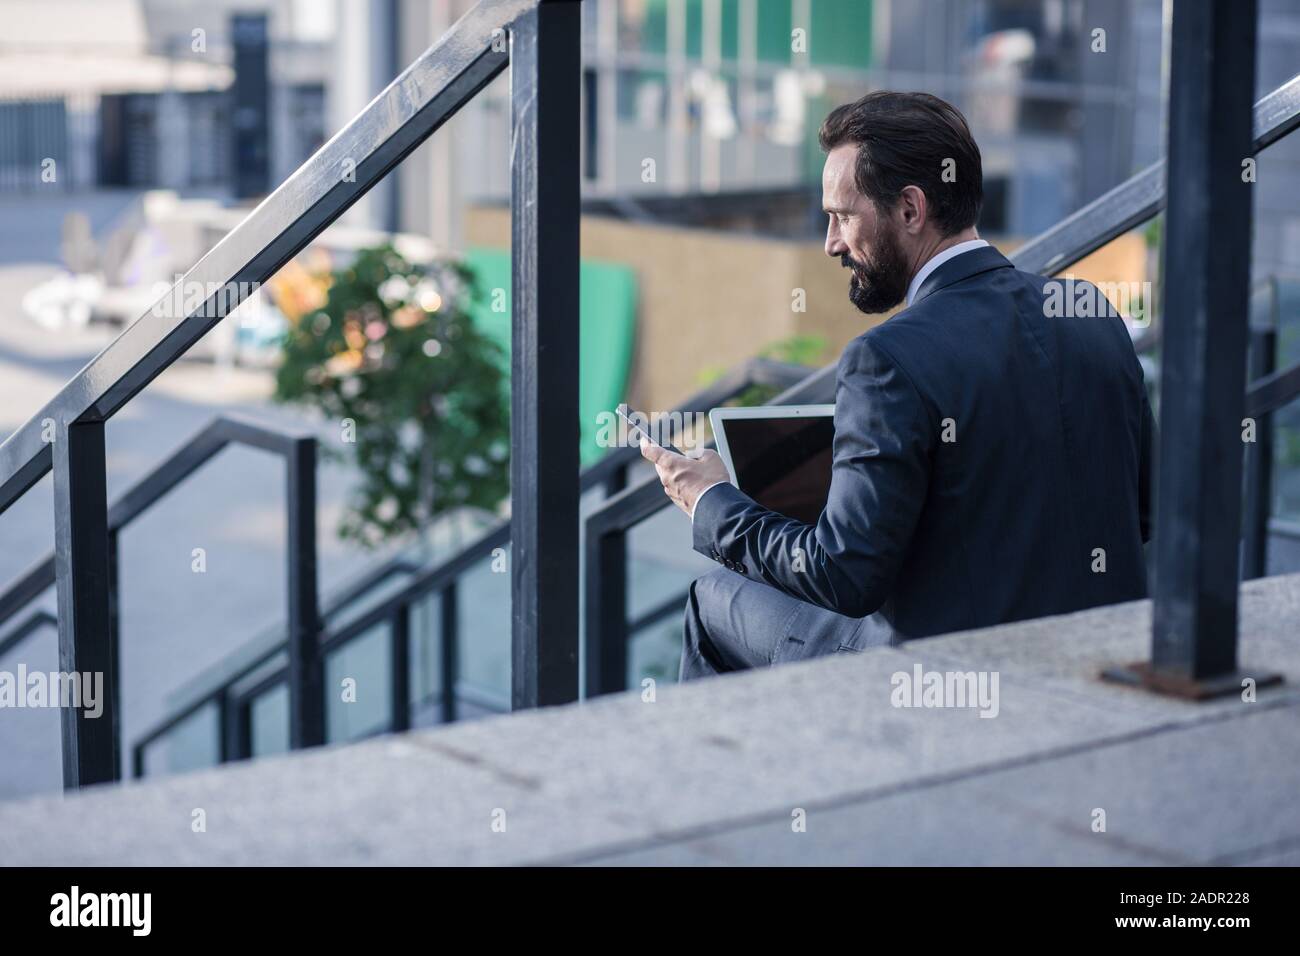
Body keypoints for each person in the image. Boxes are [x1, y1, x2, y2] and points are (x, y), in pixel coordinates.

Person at [642, 91, 1155, 681]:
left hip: (947, 673)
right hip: (1097, 651)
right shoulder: (1090, 312)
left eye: (842, 215)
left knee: (715, 597)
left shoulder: (886, 359)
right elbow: (1143, 511)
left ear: (911, 209)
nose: (832, 242)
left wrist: (713, 502)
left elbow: (845, 576)